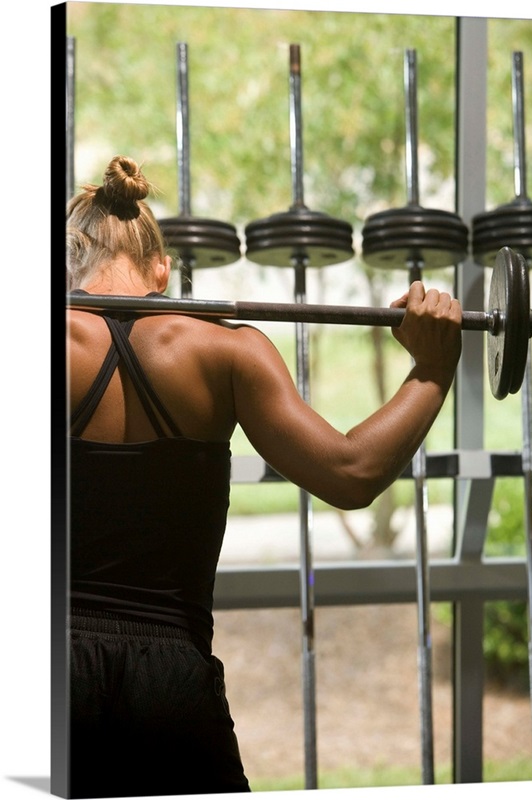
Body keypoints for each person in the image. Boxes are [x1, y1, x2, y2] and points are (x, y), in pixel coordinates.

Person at [66, 154, 462, 798]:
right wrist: (432, 369)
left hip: (48, 672)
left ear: (66, 268)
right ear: (163, 268)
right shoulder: (228, 350)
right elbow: (352, 472)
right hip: (174, 679)